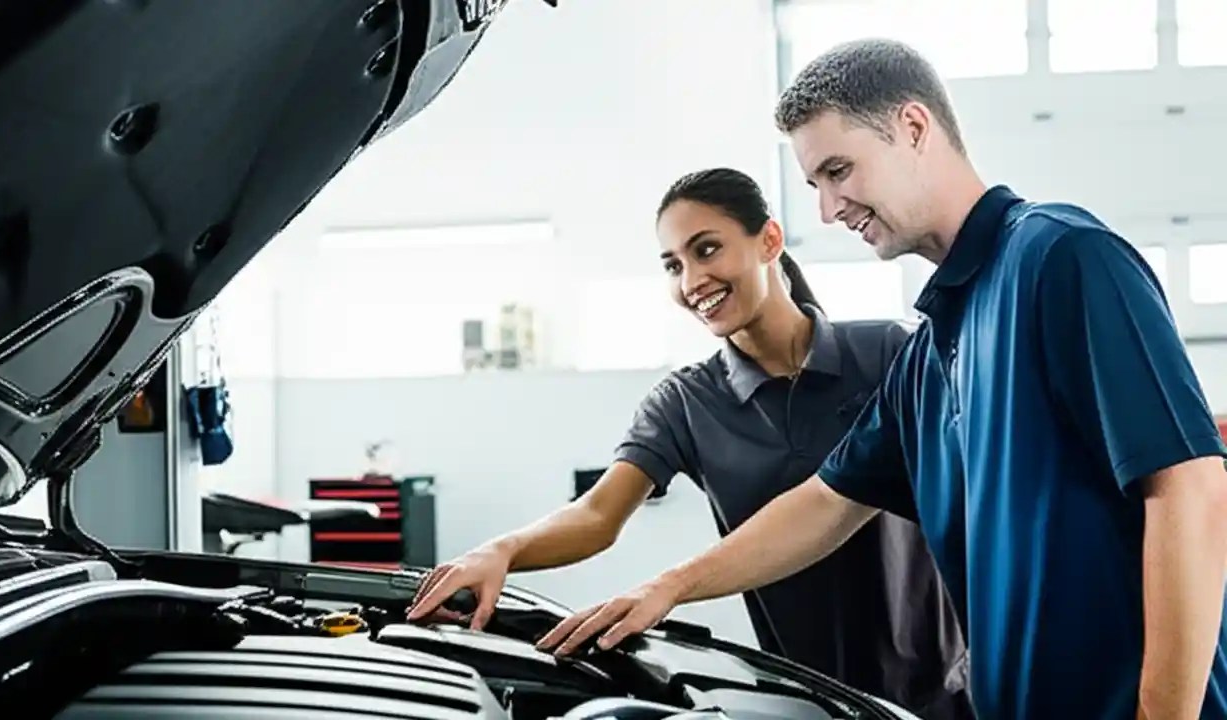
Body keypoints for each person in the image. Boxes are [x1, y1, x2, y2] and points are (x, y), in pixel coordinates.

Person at [536, 37, 1227, 720]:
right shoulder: (928, 356)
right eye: (816, 185)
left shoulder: (1060, 260)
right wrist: (671, 586)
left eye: (840, 171)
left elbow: (1191, 488)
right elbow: (826, 504)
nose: (831, 209)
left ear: (913, 127)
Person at [406, 167, 974, 718]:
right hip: (807, 697)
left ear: (769, 239)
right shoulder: (685, 402)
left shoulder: (888, 354)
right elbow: (598, 515)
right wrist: (501, 551)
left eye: (706, 250)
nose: (690, 281)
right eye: (672, 264)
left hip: (945, 692)